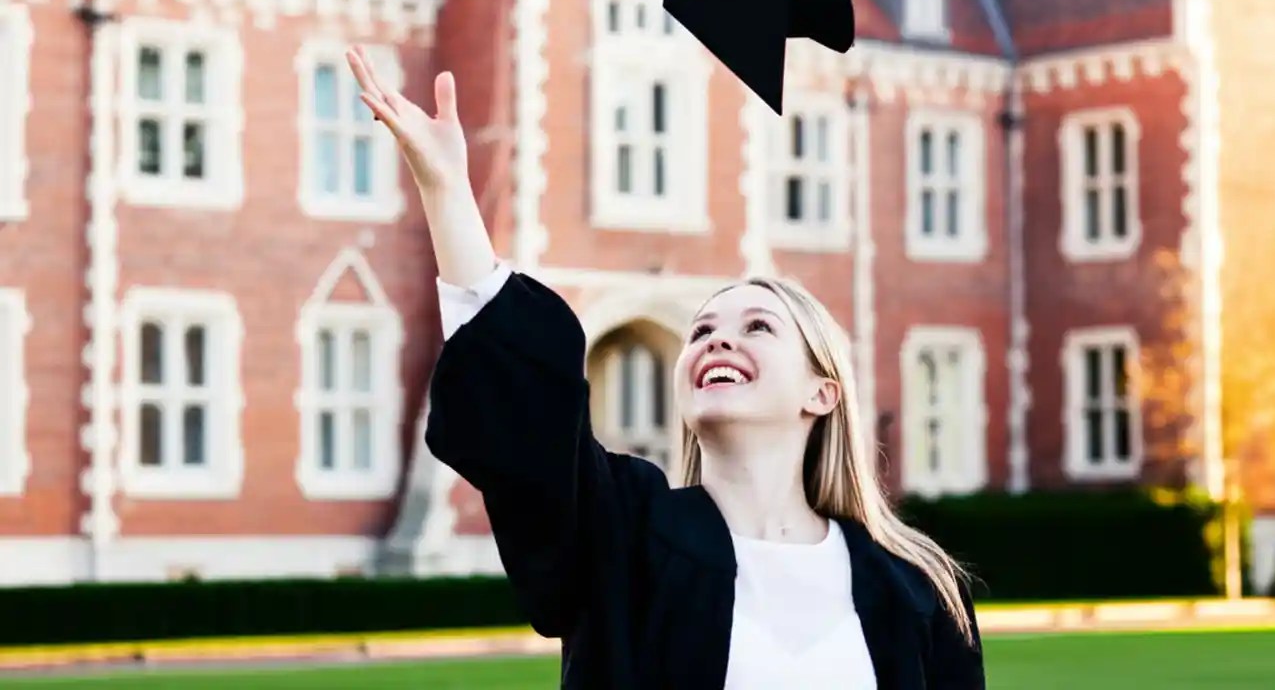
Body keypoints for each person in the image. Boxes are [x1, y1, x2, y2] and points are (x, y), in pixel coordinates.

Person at [346, 46, 985, 689]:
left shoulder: (915, 590)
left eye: (757, 327)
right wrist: (448, 190)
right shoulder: (628, 535)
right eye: (701, 330)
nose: (715, 341)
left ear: (821, 392)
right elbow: (531, 430)